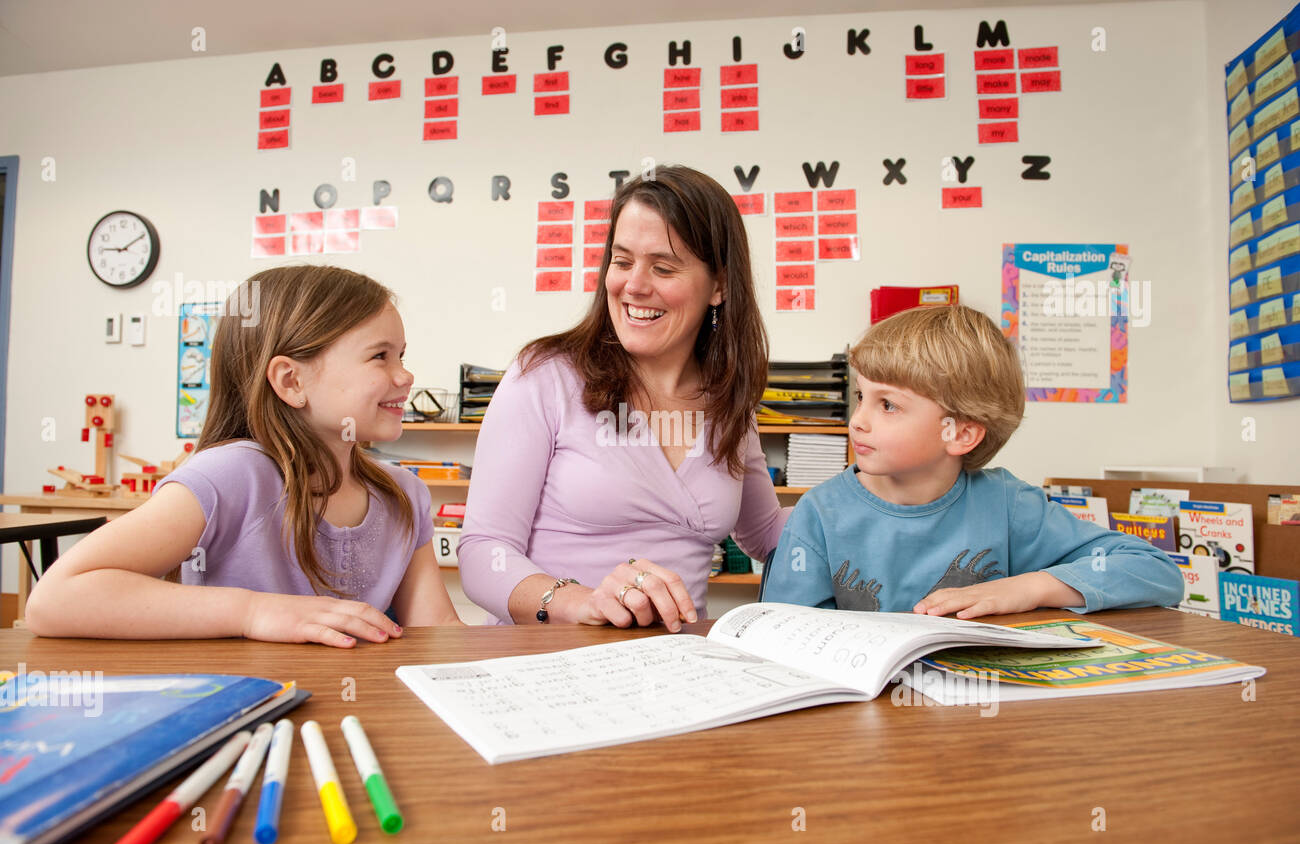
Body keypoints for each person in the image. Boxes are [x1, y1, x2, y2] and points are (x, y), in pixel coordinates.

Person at [26, 265, 460, 646]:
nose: (405, 375)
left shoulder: (404, 493)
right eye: (379, 356)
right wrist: (254, 612)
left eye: (401, 355)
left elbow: (435, 626)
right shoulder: (233, 475)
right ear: (291, 381)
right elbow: (56, 599)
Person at [458, 165, 789, 630]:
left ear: (720, 286)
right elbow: (482, 553)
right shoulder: (545, 376)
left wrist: (875, 499)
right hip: (548, 661)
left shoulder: (727, 401)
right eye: (622, 260)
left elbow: (766, 534)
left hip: (677, 666)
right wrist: (583, 603)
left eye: (663, 267)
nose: (634, 285)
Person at [762, 304, 1184, 617]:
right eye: (861, 397)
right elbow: (778, 633)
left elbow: (1155, 570)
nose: (858, 422)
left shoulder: (1009, 506)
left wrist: (1032, 587)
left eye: (887, 405)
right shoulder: (818, 514)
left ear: (960, 433)